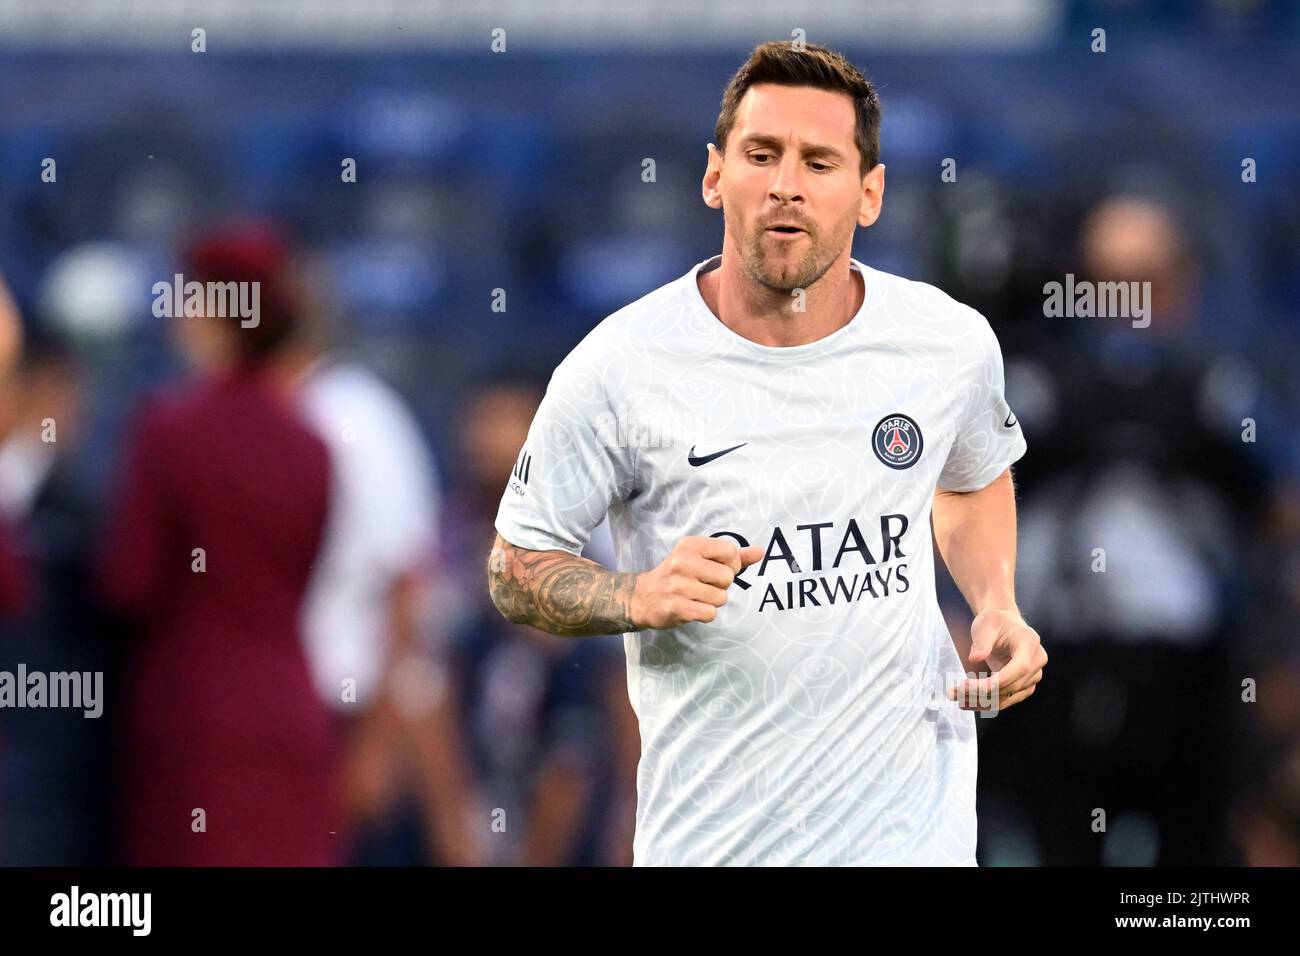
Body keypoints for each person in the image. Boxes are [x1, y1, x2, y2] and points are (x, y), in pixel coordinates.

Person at [486, 41, 1047, 866]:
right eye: (761, 154)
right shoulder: (620, 368)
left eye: (820, 161)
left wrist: (996, 599)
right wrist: (635, 595)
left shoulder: (946, 343)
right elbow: (513, 568)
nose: (787, 182)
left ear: (869, 194)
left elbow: (970, 479)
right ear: (715, 177)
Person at [98, 222, 340, 865]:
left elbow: (130, 581)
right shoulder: (310, 444)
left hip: (194, 720)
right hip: (290, 709)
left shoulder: (169, 429)